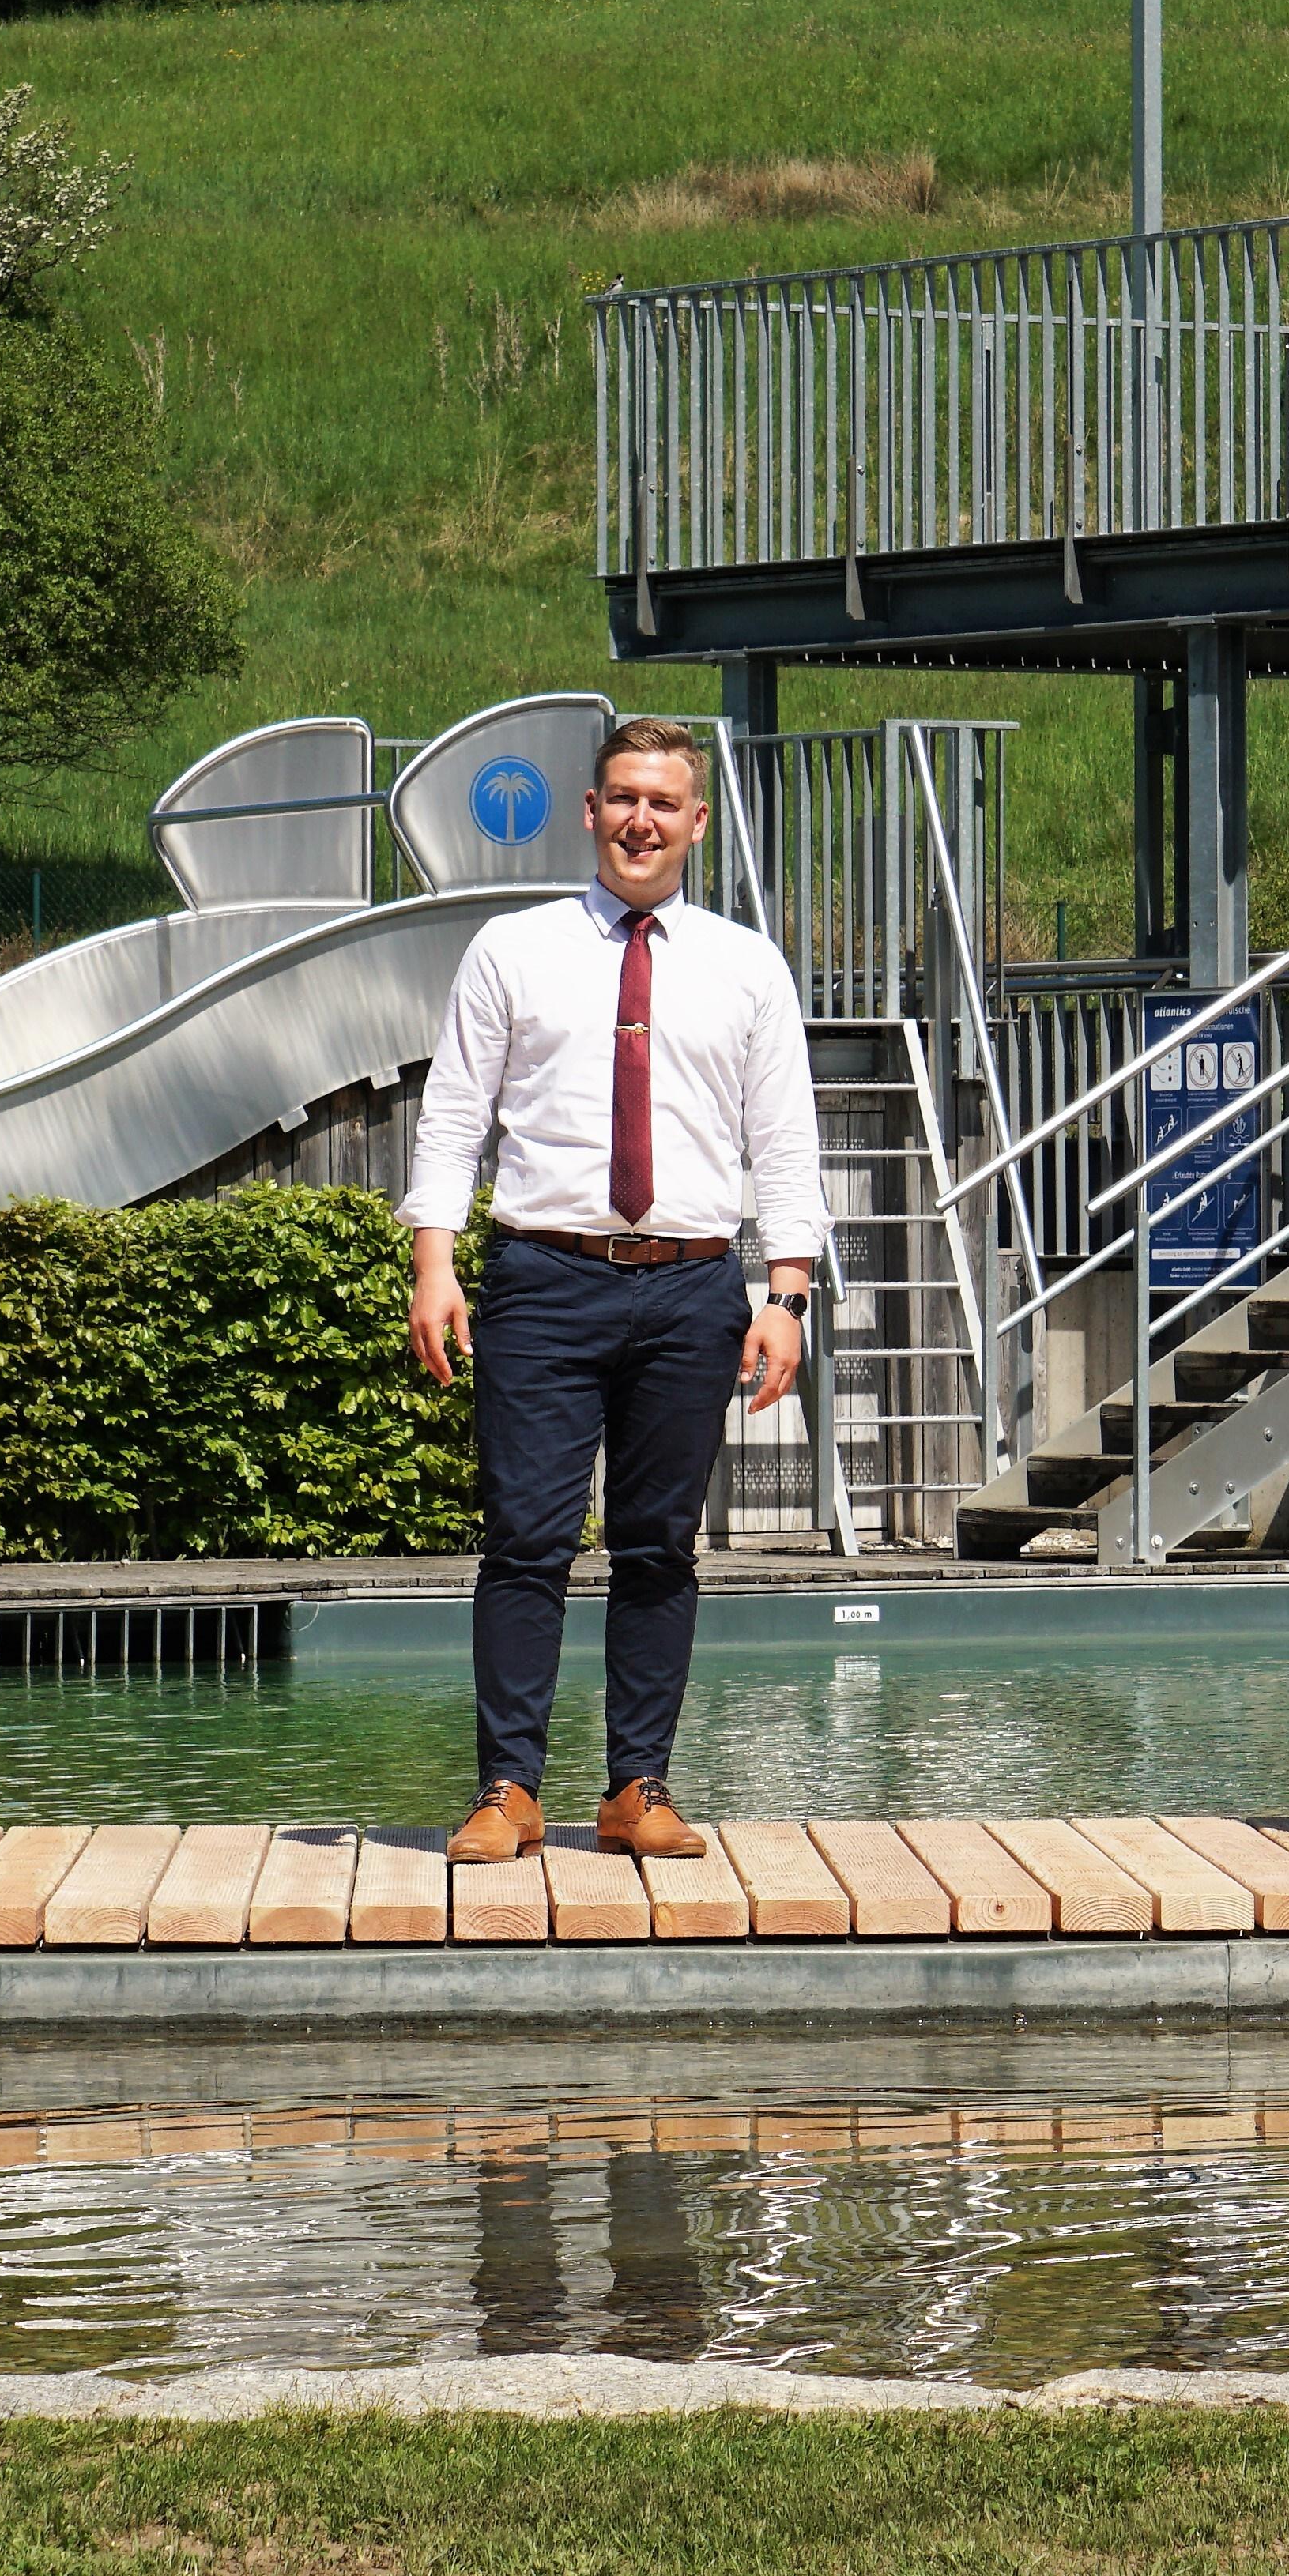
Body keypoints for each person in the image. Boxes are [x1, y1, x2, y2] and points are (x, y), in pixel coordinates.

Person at [403, 716, 822, 1868]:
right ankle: (507, 1789)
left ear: (696, 822)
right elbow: (453, 1115)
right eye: (622, 796)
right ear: (590, 811)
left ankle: (638, 1787)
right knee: (525, 1539)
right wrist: (434, 1262)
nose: (641, 818)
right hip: (541, 1277)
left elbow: (784, 1138)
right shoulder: (512, 948)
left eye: (663, 801)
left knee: (657, 1546)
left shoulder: (745, 964)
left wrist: (784, 1295)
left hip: (693, 1288)